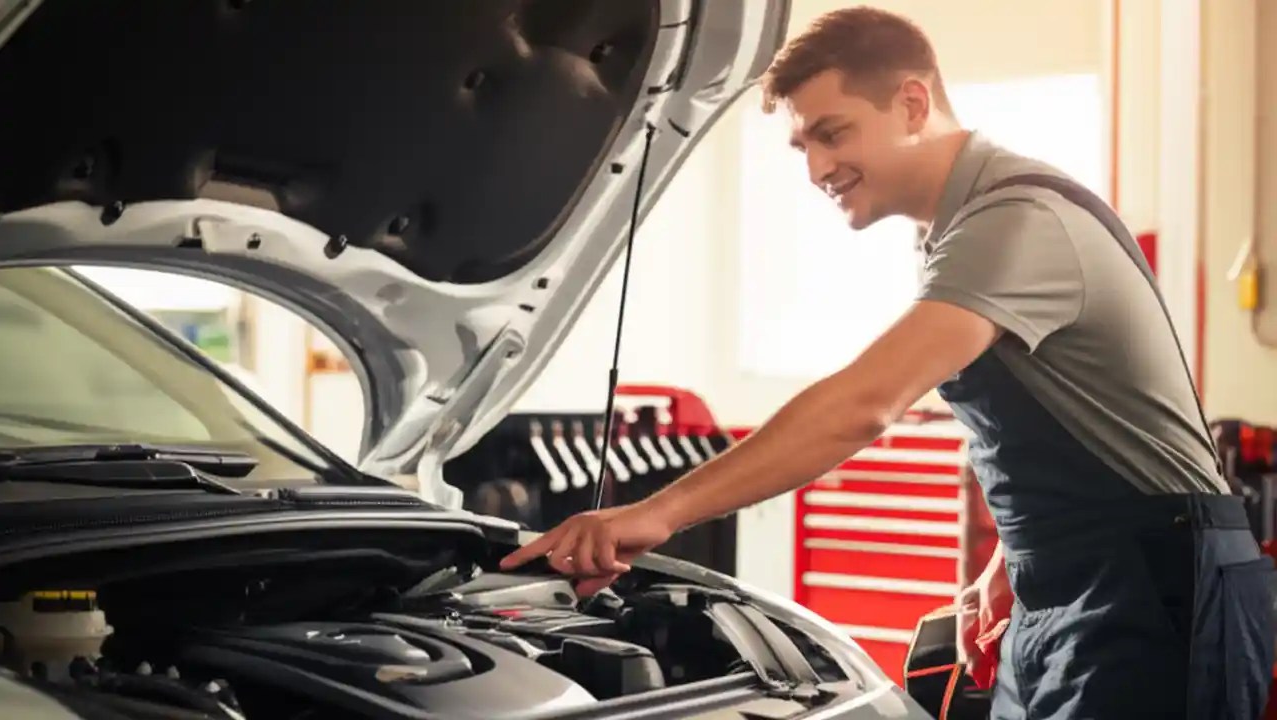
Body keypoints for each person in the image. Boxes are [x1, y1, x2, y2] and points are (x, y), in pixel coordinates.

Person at [501, 6, 1275, 718]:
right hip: (1075, 583)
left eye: (834, 133)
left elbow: (865, 403)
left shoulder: (1015, 221)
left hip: (1164, 587)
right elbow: (1073, 418)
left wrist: (653, 515)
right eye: (803, 145)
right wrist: (1011, 562)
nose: (815, 169)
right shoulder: (953, 230)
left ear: (911, 103)